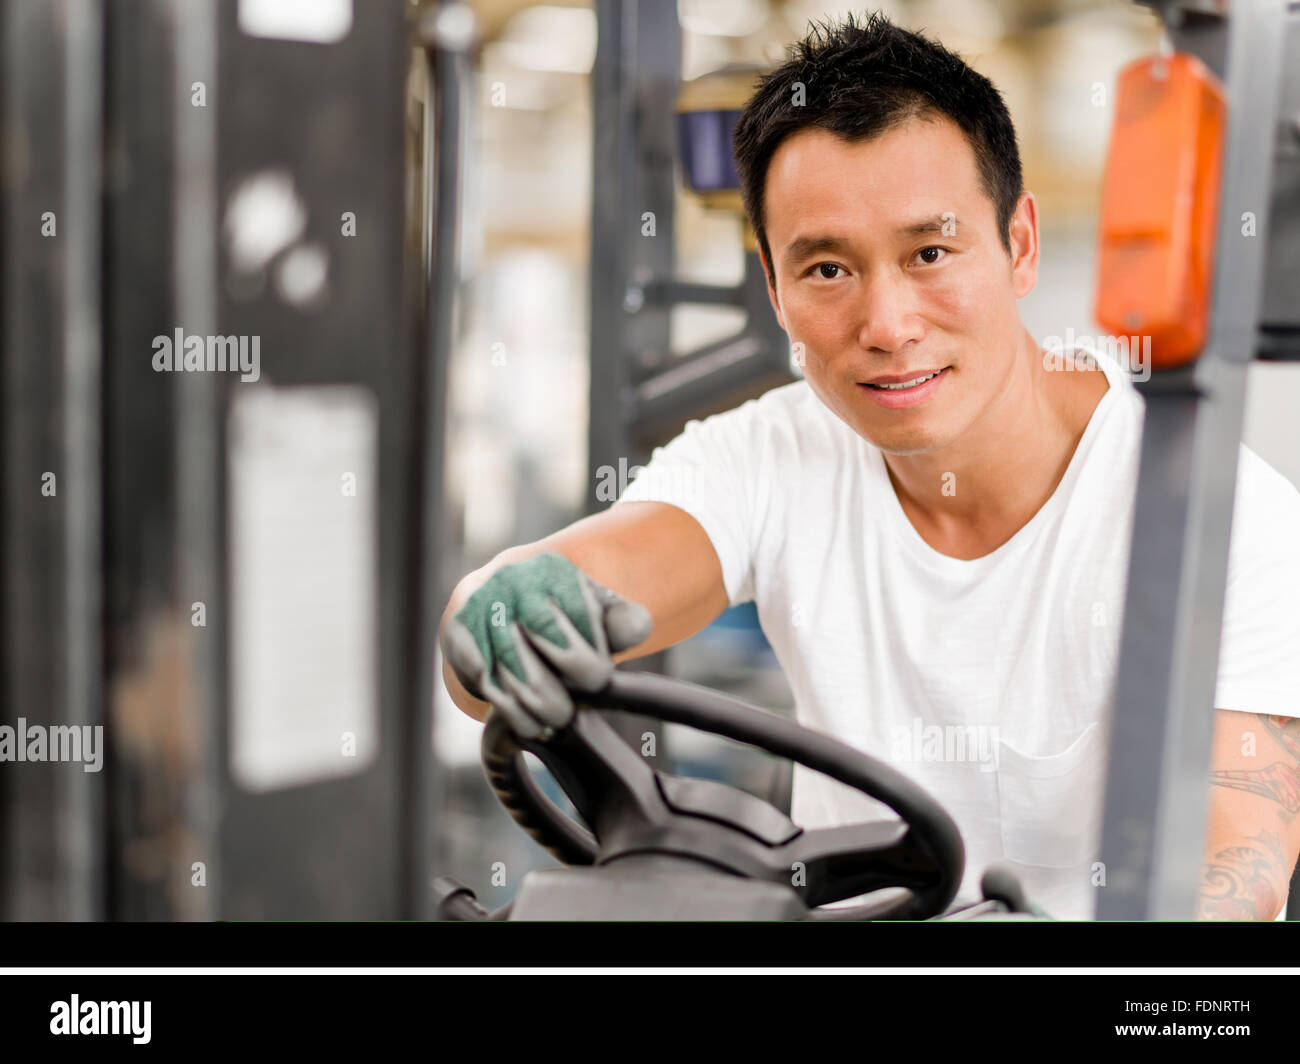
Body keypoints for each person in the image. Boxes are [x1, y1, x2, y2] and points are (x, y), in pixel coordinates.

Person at [440, 11, 1300, 920]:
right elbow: (534, 601)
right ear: (774, 289)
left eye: (930, 253)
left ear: (1020, 245)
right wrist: (496, 610)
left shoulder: (1225, 517)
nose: (887, 326)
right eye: (826, 271)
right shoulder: (774, 455)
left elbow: (1233, 875)